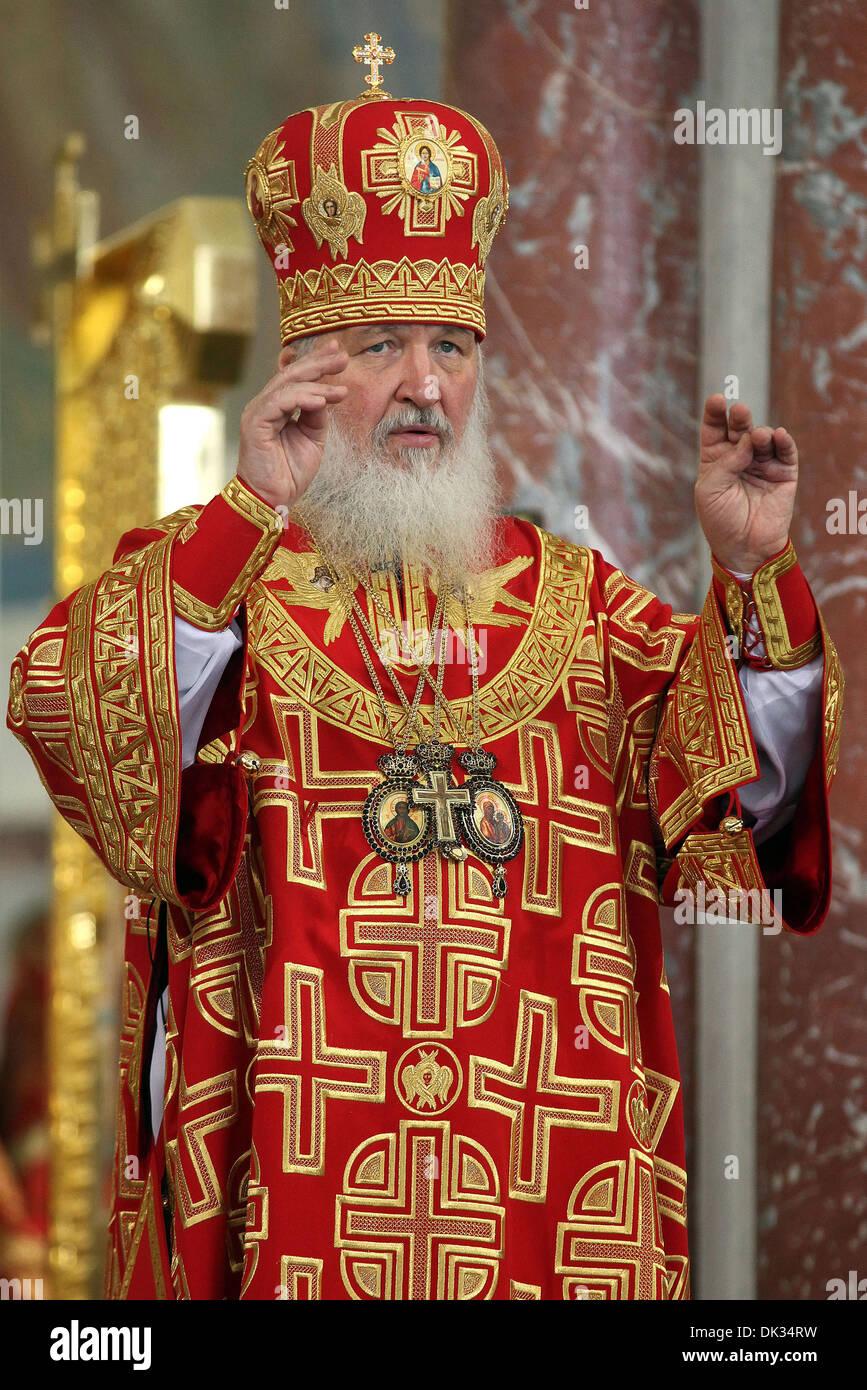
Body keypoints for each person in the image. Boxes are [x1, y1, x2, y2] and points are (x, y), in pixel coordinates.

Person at [6, 45, 843, 1301]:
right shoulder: (228, 585)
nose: (424, 386)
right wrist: (246, 508)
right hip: (292, 1202)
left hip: (542, 1210)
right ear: (303, 369)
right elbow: (75, 705)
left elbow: (746, 813)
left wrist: (753, 578)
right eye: (382, 343)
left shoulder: (576, 609)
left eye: (453, 345)